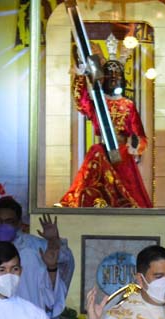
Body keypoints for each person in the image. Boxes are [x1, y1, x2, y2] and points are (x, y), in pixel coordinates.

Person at [0, 196, 74, 318]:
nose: (3, 225)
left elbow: (63, 266)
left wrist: (53, 241)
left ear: (19, 223)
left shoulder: (35, 248)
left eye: (9, 221)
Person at [59, 51, 153, 208]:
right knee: (97, 156)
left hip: (121, 153)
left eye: (117, 77)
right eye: (110, 77)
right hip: (103, 149)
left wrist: (135, 142)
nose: (114, 80)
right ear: (104, 80)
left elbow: (139, 135)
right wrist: (81, 75)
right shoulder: (98, 103)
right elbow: (81, 102)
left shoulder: (128, 105)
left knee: (126, 189)